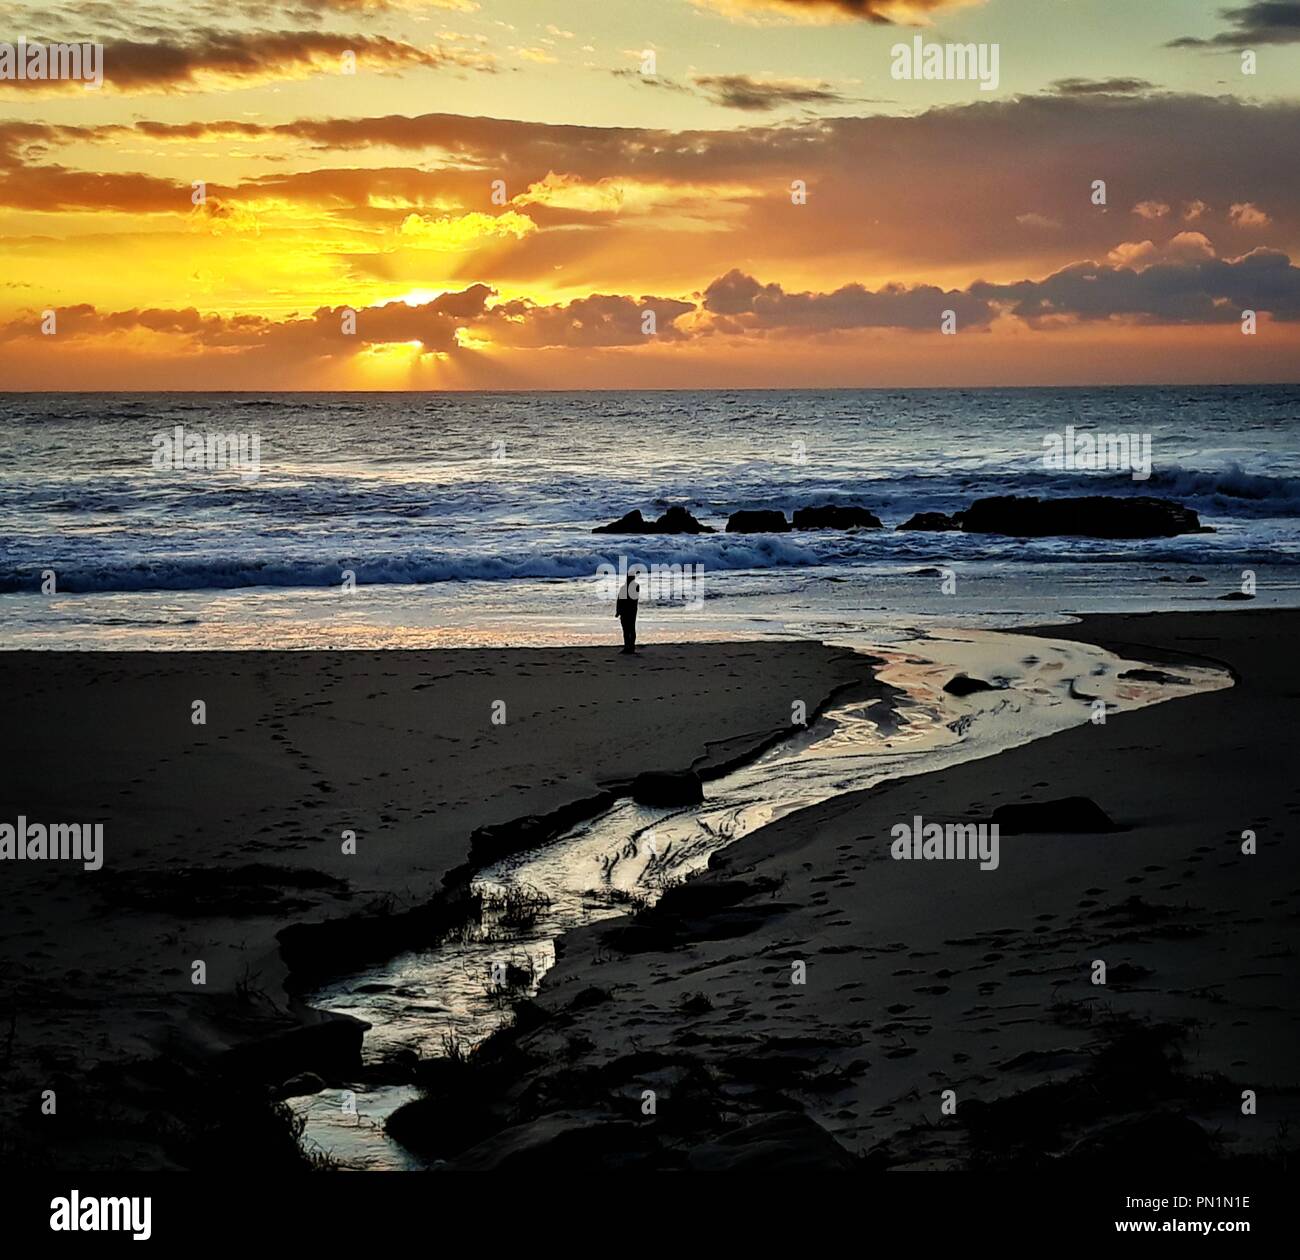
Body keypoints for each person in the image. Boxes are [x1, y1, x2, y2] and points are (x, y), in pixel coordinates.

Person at [615, 570, 640, 653]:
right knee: (627, 630)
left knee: (630, 629)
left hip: (629, 611)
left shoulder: (634, 587)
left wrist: (618, 611)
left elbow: (620, 601)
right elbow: (619, 601)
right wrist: (618, 611)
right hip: (628, 611)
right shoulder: (625, 588)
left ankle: (630, 647)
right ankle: (628, 646)